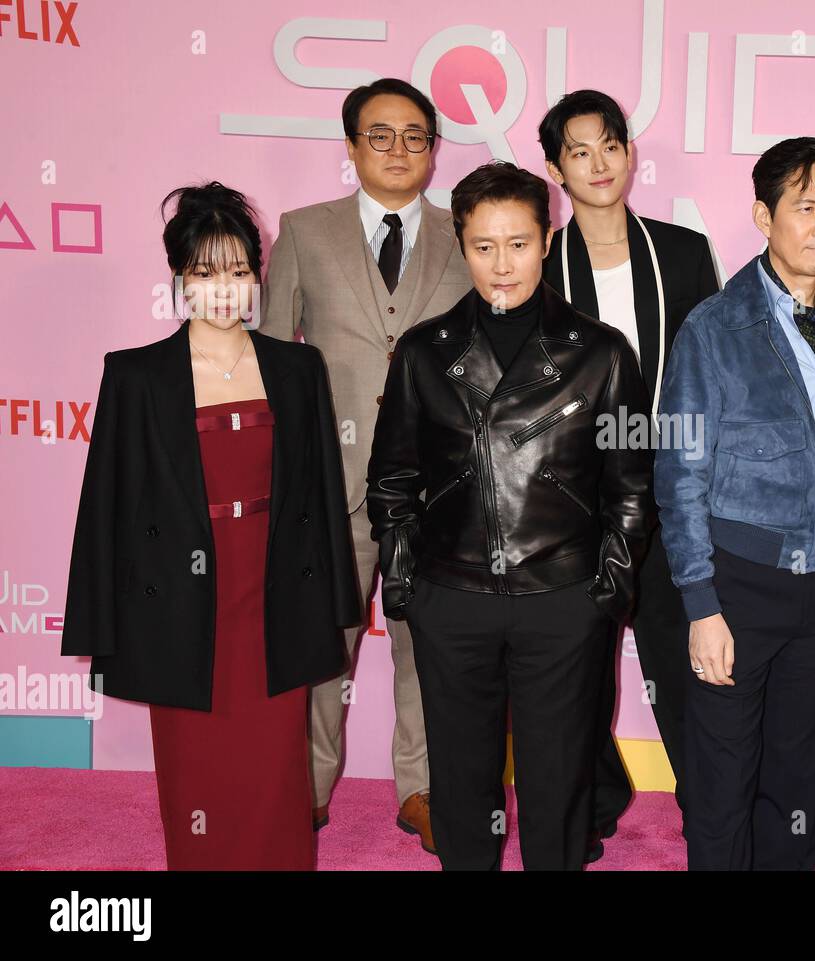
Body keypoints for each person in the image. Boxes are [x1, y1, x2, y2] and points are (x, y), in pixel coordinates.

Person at [61, 182, 361, 870]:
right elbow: (106, 504)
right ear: (179, 279)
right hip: (180, 602)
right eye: (203, 273)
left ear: (257, 275)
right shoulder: (136, 376)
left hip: (273, 592)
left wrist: (332, 606)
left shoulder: (295, 367)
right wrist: (100, 624)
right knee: (197, 766)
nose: (222, 290)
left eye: (235, 271)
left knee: (275, 766)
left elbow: (316, 491)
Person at [367, 161, 654, 870]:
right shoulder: (424, 352)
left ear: (548, 238)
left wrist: (606, 589)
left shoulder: (601, 351)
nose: (502, 265)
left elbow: (632, 486)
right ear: (461, 245)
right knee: (462, 783)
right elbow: (393, 477)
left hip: (560, 596)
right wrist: (408, 584)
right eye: (484, 245)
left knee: (559, 784)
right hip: (452, 594)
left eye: (519, 243)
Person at [261, 78, 472, 853]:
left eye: (415, 136)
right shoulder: (303, 231)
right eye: (380, 135)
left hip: (440, 490)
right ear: (351, 146)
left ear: (432, 150)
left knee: (434, 650)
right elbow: (275, 362)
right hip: (330, 485)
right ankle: (307, 789)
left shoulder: (465, 234)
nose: (398, 150)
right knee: (322, 645)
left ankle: (421, 787)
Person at [655, 137, 815, 870]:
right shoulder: (713, 327)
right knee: (721, 783)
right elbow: (680, 472)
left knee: (801, 780)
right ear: (764, 214)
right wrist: (699, 602)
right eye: (804, 206)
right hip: (738, 587)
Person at [538, 88, 720, 851]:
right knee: (573, 663)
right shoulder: (538, 260)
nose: (598, 162)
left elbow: (714, 371)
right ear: (556, 169)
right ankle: (594, 796)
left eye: (610, 144)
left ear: (630, 153)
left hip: (672, 487)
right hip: (573, 495)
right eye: (579, 151)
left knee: (685, 659)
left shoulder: (680, 251)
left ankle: (708, 803)